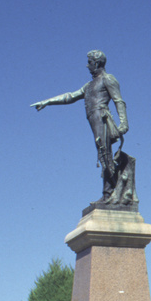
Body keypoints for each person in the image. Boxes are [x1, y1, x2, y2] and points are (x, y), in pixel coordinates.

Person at [31, 50, 129, 200]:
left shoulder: (108, 79)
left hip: (102, 117)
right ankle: (112, 190)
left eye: (89, 62)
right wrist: (47, 102)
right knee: (103, 153)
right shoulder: (89, 85)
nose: (87, 65)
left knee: (104, 153)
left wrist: (124, 122)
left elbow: (118, 101)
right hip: (93, 119)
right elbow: (70, 96)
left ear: (96, 63)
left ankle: (110, 192)